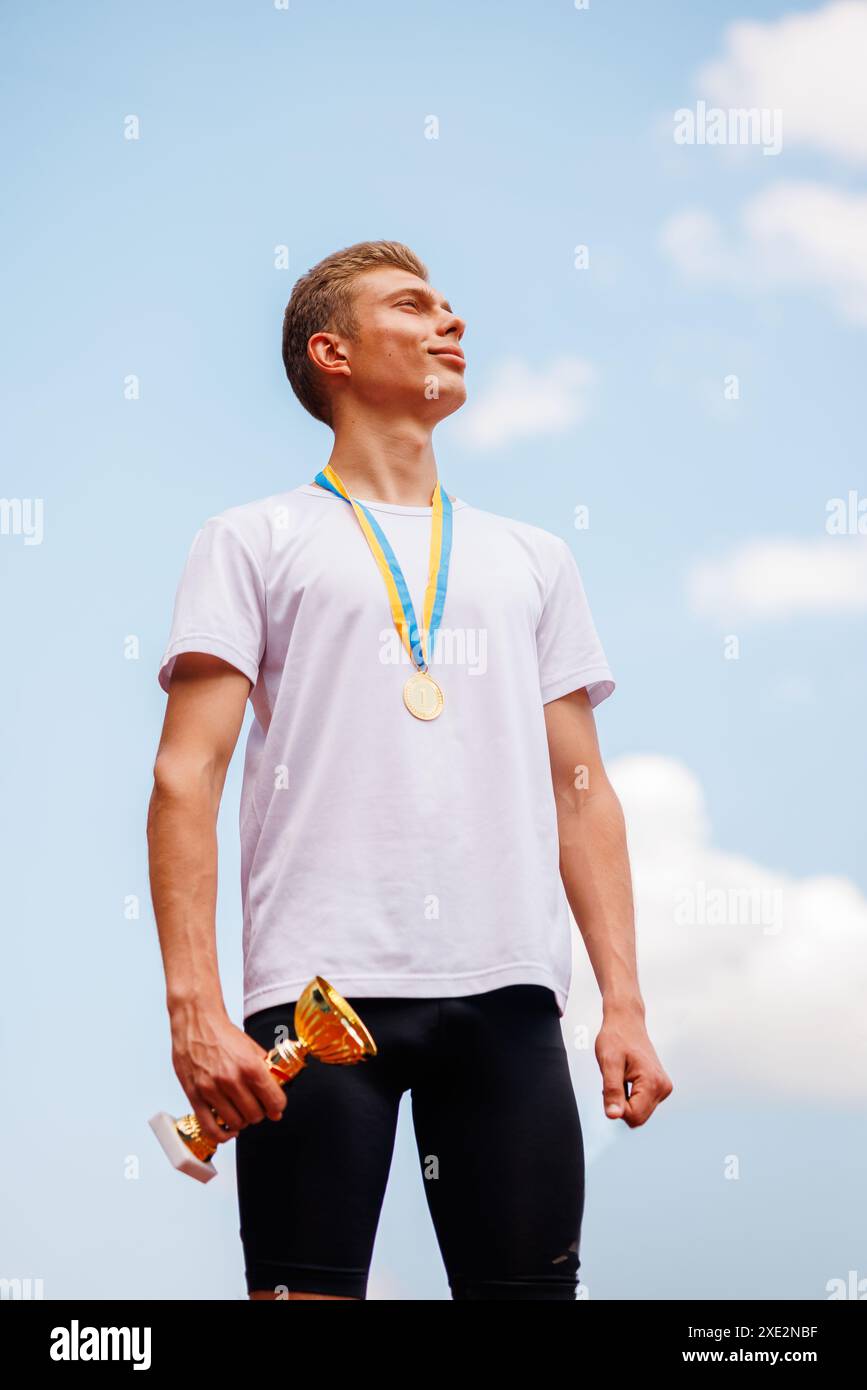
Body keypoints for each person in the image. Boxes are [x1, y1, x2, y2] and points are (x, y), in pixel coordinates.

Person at [147, 239, 672, 1301]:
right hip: (312, 998)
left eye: (448, 303)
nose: (453, 320)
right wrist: (196, 1011)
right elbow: (183, 782)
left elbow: (585, 791)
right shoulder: (251, 540)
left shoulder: (533, 558)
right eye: (414, 304)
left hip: (512, 997)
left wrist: (624, 1000)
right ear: (330, 350)